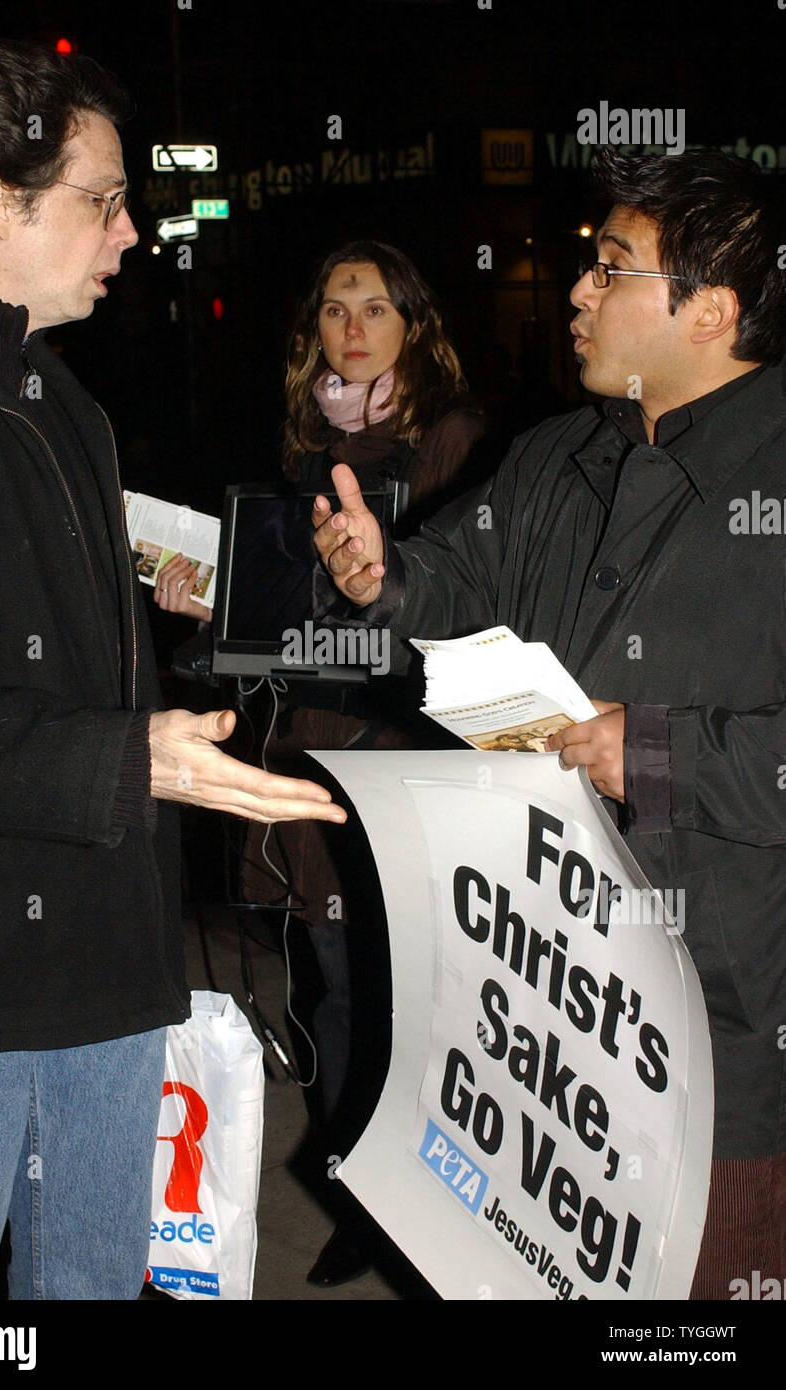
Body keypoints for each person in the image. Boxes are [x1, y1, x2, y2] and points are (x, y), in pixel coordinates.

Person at [0, 38, 345, 1302]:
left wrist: (158, 663)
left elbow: (58, 669)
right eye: (104, 198)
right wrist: (122, 754)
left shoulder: (65, 400)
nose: (133, 232)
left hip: (113, 959)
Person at [312, 148, 786, 1300]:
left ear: (710, 309)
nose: (576, 292)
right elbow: (455, 585)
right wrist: (386, 582)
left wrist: (657, 752)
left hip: (718, 1037)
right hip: (531, 1004)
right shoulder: (555, 454)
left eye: (610, 270)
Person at [160, 241, 489, 1285]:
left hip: (405, 762)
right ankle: (357, 1198)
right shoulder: (300, 454)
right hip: (312, 761)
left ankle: (434, 1199)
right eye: (335, 305)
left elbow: (446, 628)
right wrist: (209, 602)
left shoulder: (457, 443)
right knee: (336, 988)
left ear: (415, 328)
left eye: (377, 305)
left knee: (417, 993)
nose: (353, 323)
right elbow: (273, 623)